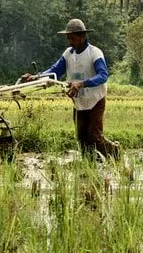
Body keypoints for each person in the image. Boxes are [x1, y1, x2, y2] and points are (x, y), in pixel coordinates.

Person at [21, 18, 120, 160]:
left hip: (95, 100)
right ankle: (89, 165)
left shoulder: (94, 53)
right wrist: (36, 77)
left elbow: (103, 76)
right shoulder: (68, 54)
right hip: (79, 102)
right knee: (81, 138)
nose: (69, 41)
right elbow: (54, 71)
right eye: (68, 38)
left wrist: (81, 83)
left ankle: (116, 153)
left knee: (94, 136)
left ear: (82, 36)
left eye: (72, 38)